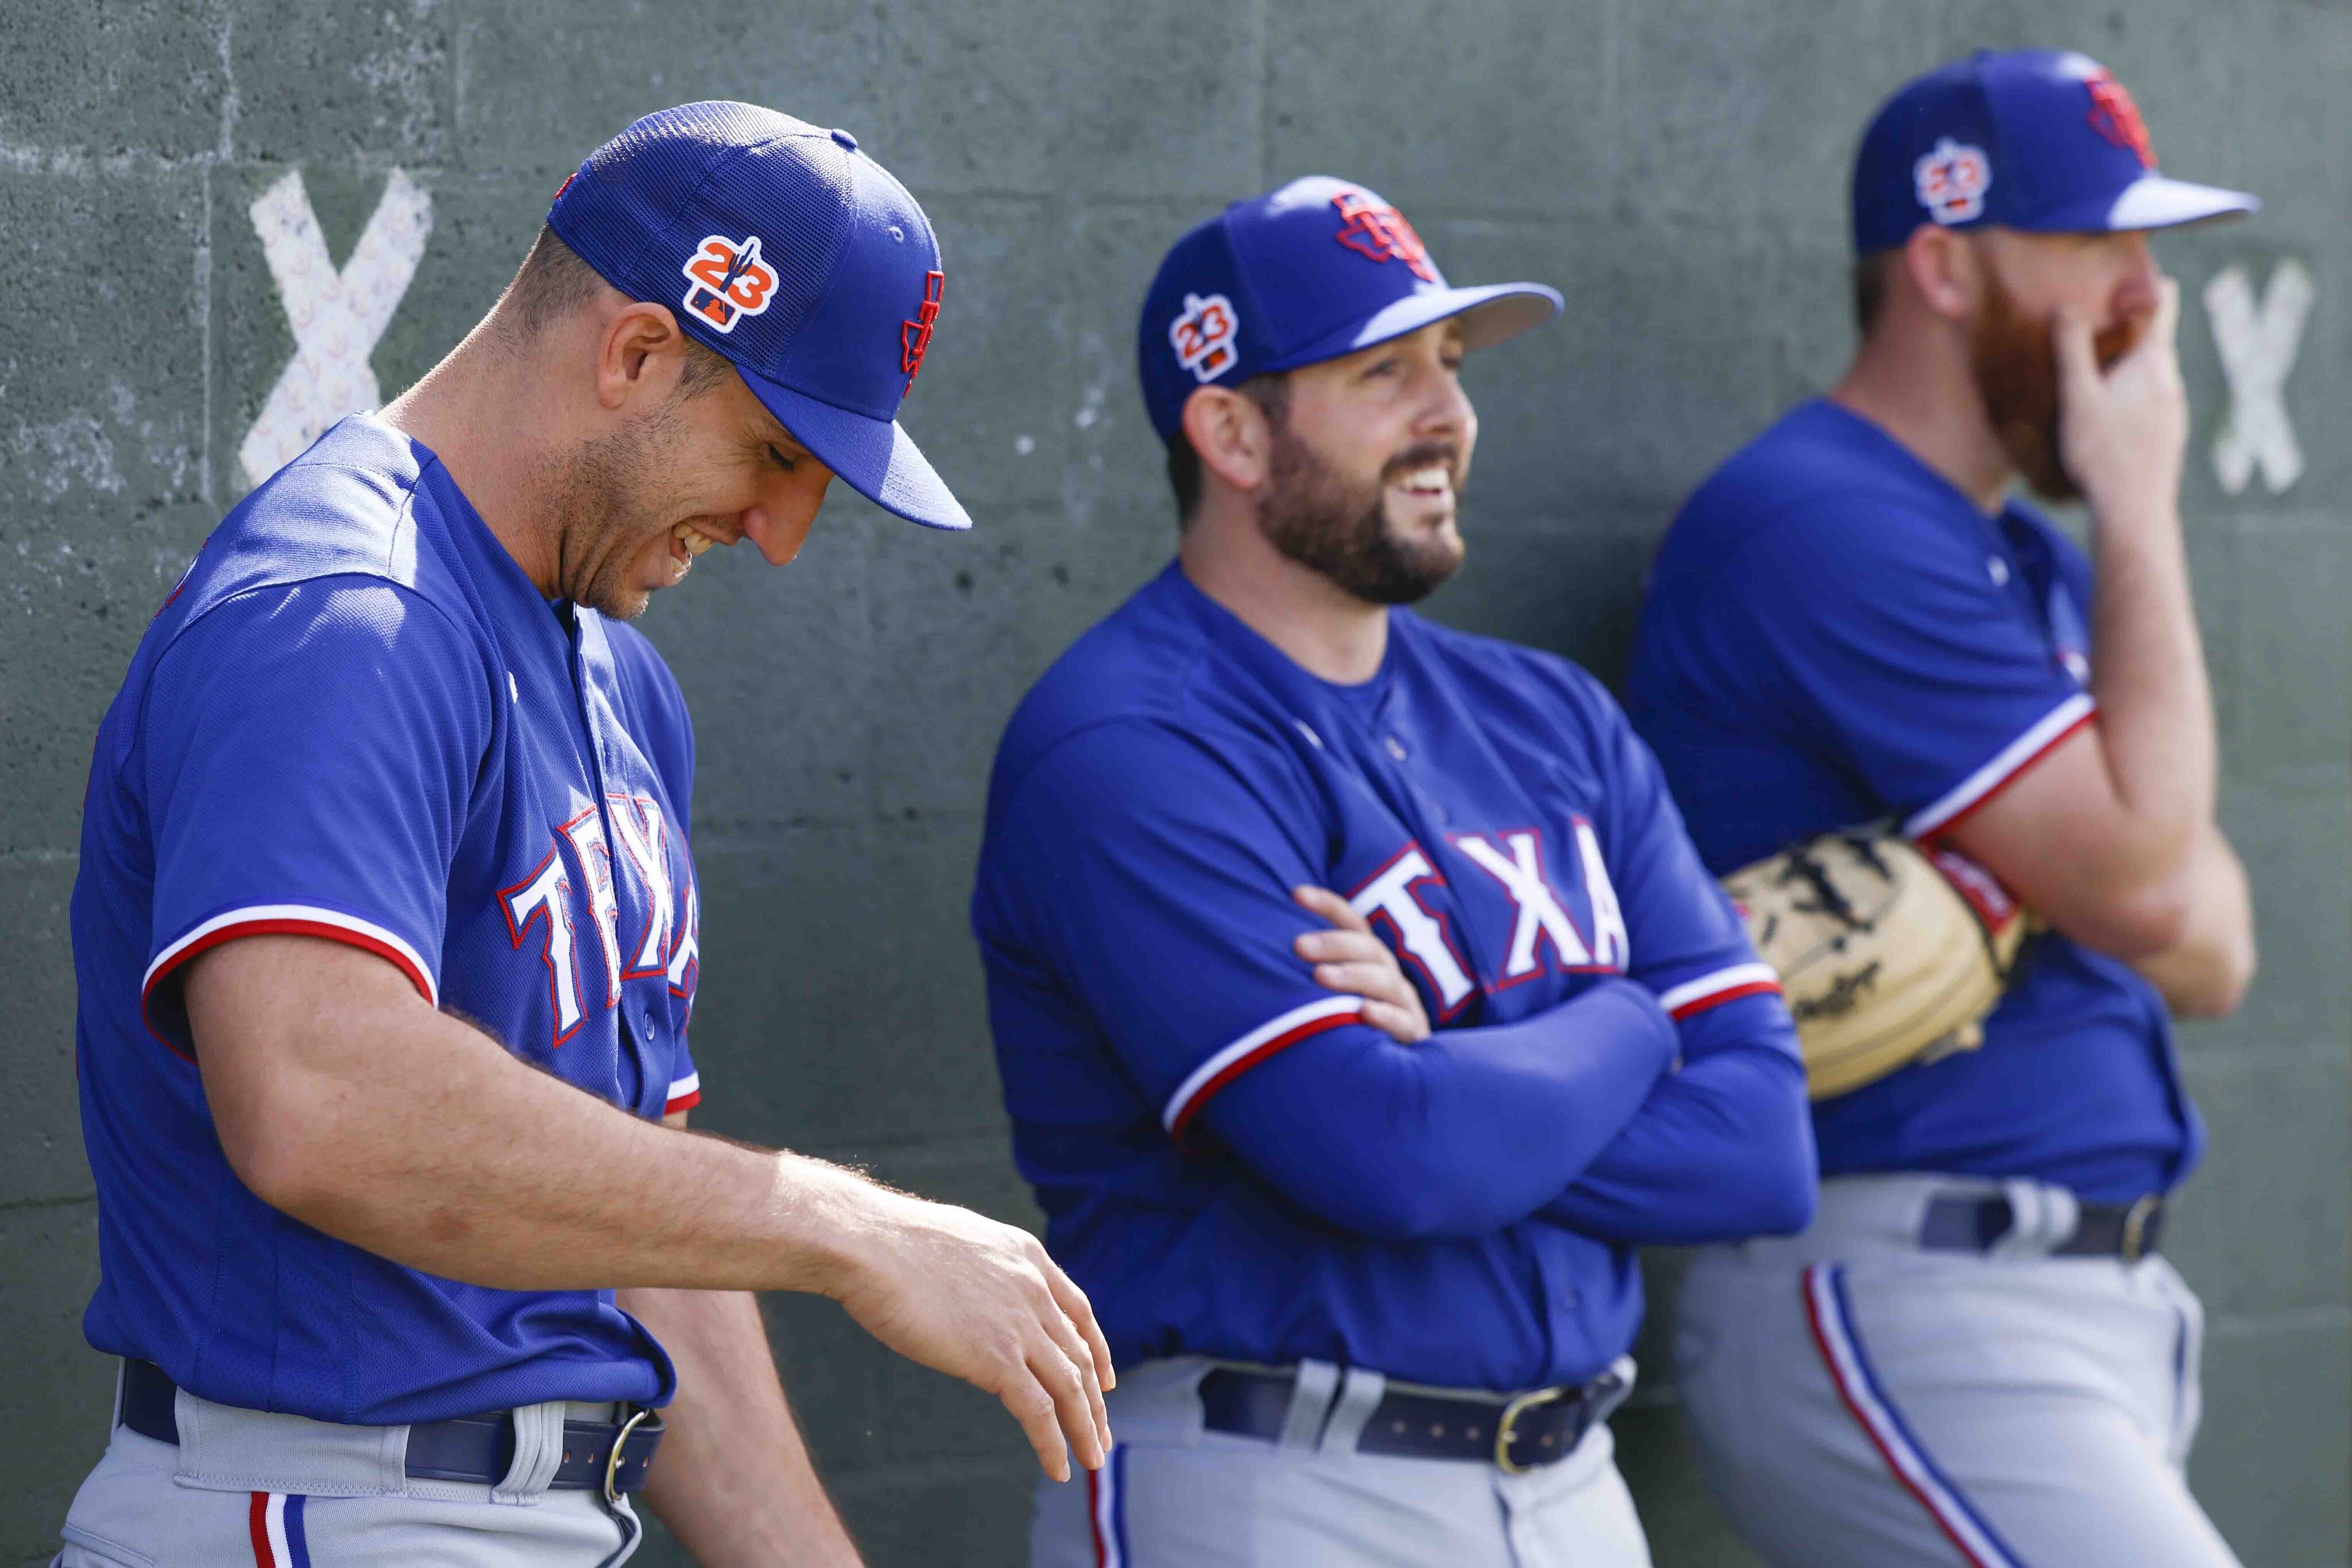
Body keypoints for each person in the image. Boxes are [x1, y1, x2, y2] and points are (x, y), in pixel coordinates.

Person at [60, 102, 1112, 1568]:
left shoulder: (619, 677)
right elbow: (319, 1096)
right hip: (324, 1502)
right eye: (774, 450)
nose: (784, 530)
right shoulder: (350, 611)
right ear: (634, 353)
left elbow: (641, 1219)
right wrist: (847, 1225)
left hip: (537, 1513)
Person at [971, 176, 1816, 1567]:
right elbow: (1388, 1156)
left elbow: (1763, 1150)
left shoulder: (1553, 719)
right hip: (1272, 1481)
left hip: (1571, 1482)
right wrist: (1627, 1018)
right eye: (1383, 374)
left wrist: (1458, 1065)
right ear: (1232, 430)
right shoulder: (1127, 745)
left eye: (1452, 367)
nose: (1448, 417)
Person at [1625, 51, 2260, 1568]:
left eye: (2149, 248)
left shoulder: (2022, 560)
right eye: (2097, 246)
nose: (2141, 297)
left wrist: (2085, 858)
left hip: (2073, 1307)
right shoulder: (1825, 519)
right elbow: (2155, 888)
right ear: (1943, 263)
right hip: (1914, 1286)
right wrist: (2144, 501)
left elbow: (2220, 943)